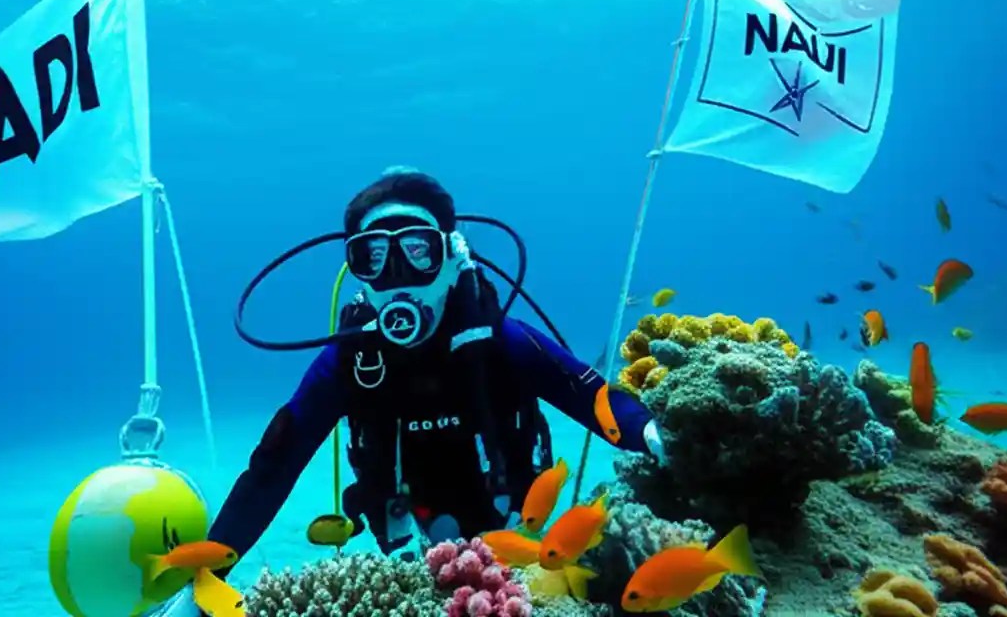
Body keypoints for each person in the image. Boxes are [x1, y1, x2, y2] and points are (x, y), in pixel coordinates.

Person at [165, 169, 667, 613]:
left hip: (514, 526)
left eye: (418, 251)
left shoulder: (498, 342)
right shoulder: (350, 362)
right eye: (374, 257)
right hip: (404, 540)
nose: (397, 277)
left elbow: (589, 397)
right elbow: (273, 469)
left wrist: (653, 434)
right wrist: (206, 577)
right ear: (356, 272)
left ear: (451, 256)